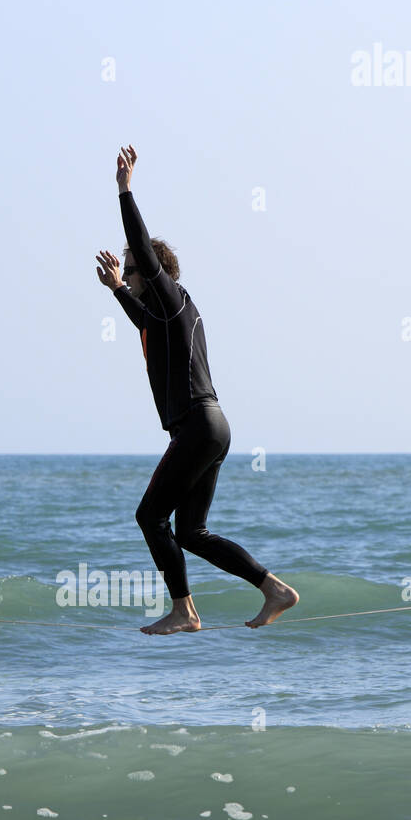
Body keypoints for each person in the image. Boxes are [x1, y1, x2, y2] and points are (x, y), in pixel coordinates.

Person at [95, 144, 299, 635]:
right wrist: (118, 289)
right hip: (212, 426)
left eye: (134, 268)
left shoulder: (171, 295)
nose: (131, 269)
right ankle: (272, 588)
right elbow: (140, 319)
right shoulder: (164, 314)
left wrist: (124, 191)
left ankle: (185, 611)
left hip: (197, 426)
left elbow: (143, 248)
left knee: (149, 516)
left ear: (154, 272)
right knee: (189, 531)